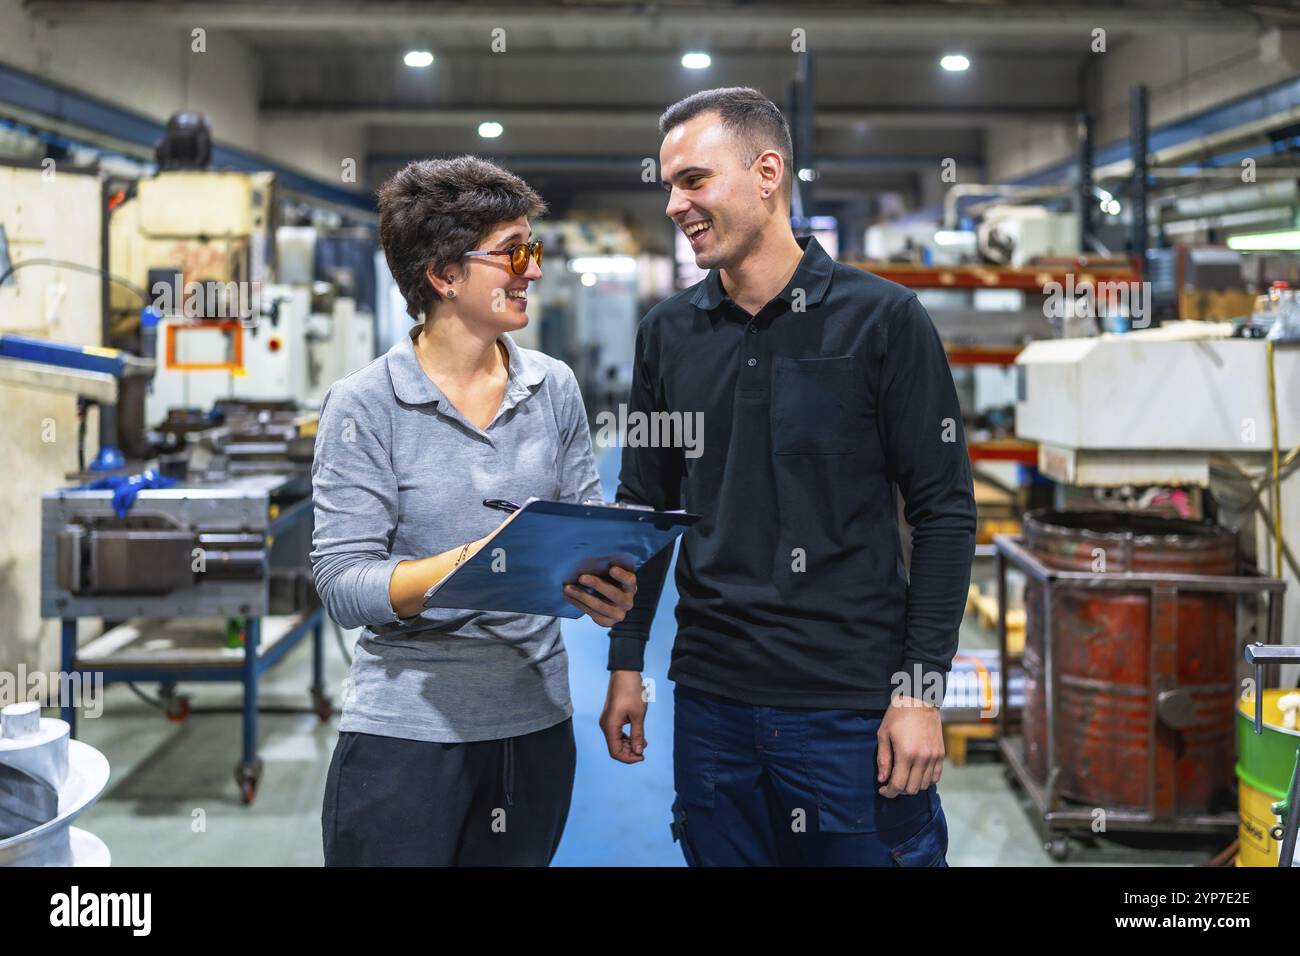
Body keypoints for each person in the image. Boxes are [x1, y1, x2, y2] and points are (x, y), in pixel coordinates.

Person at [598, 88, 976, 866]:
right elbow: (646, 505)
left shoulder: (883, 320)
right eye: (668, 184)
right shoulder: (668, 335)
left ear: (767, 172)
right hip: (711, 704)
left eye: (694, 180)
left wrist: (920, 693)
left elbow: (944, 512)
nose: (675, 204)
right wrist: (627, 662)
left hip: (850, 708)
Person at [312, 156, 637, 866]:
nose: (533, 270)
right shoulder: (365, 405)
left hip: (533, 730)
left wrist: (605, 588)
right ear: (444, 274)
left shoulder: (553, 388)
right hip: (406, 738)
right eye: (514, 253)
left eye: (534, 250)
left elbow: (587, 530)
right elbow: (343, 584)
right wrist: (473, 562)